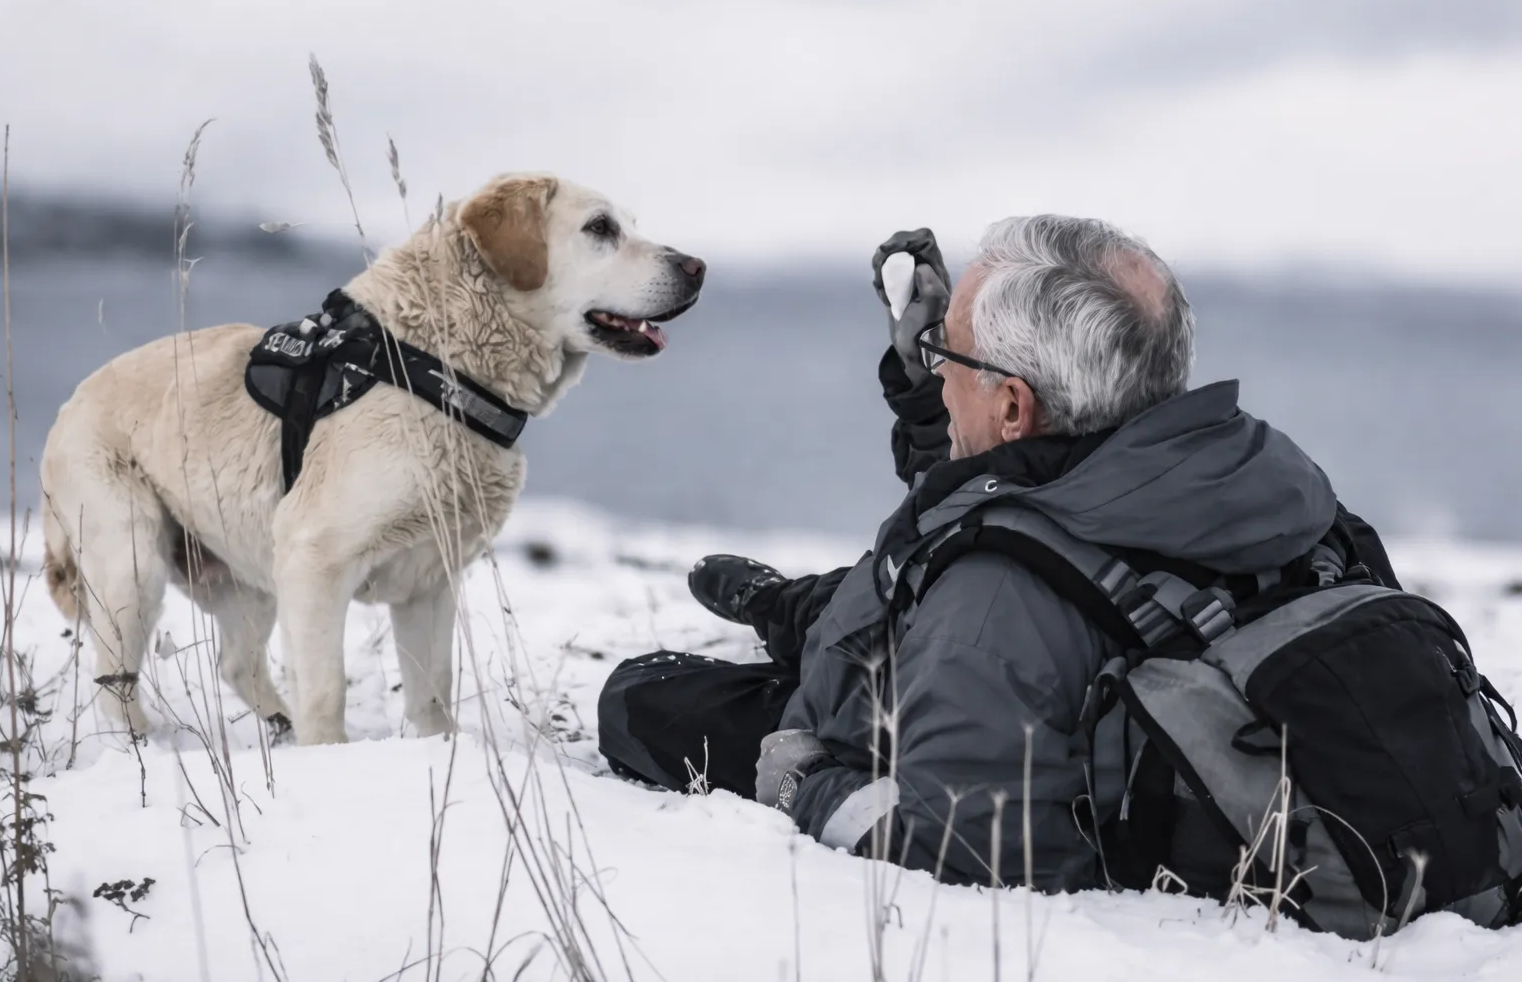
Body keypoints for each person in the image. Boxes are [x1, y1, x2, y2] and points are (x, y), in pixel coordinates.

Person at [595, 215, 1404, 893]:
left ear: (1014, 405)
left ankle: (800, 622)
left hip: (931, 688)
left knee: (642, 699)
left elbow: (965, 851)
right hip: (1050, 640)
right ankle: (788, 606)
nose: (937, 369)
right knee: (843, 602)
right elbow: (1034, 502)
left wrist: (810, 785)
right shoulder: (1278, 487)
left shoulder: (990, 608)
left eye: (949, 356)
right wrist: (933, 394)